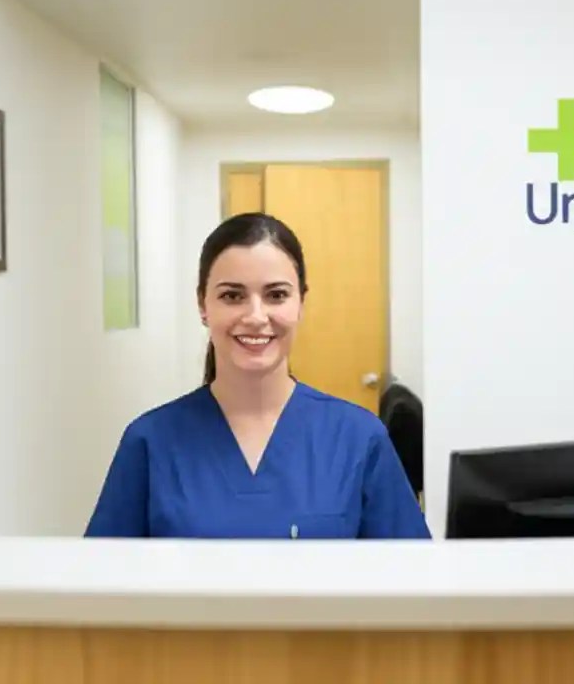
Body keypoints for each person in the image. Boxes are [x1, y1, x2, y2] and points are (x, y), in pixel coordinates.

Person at [84, 212, 431, 539]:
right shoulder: (150, 443)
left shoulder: (359, 439)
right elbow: (99, 587)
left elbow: (412, 584)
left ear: (301, 303)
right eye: (232, 296)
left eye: (276, 295)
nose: (255, 315)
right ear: (203, 305)